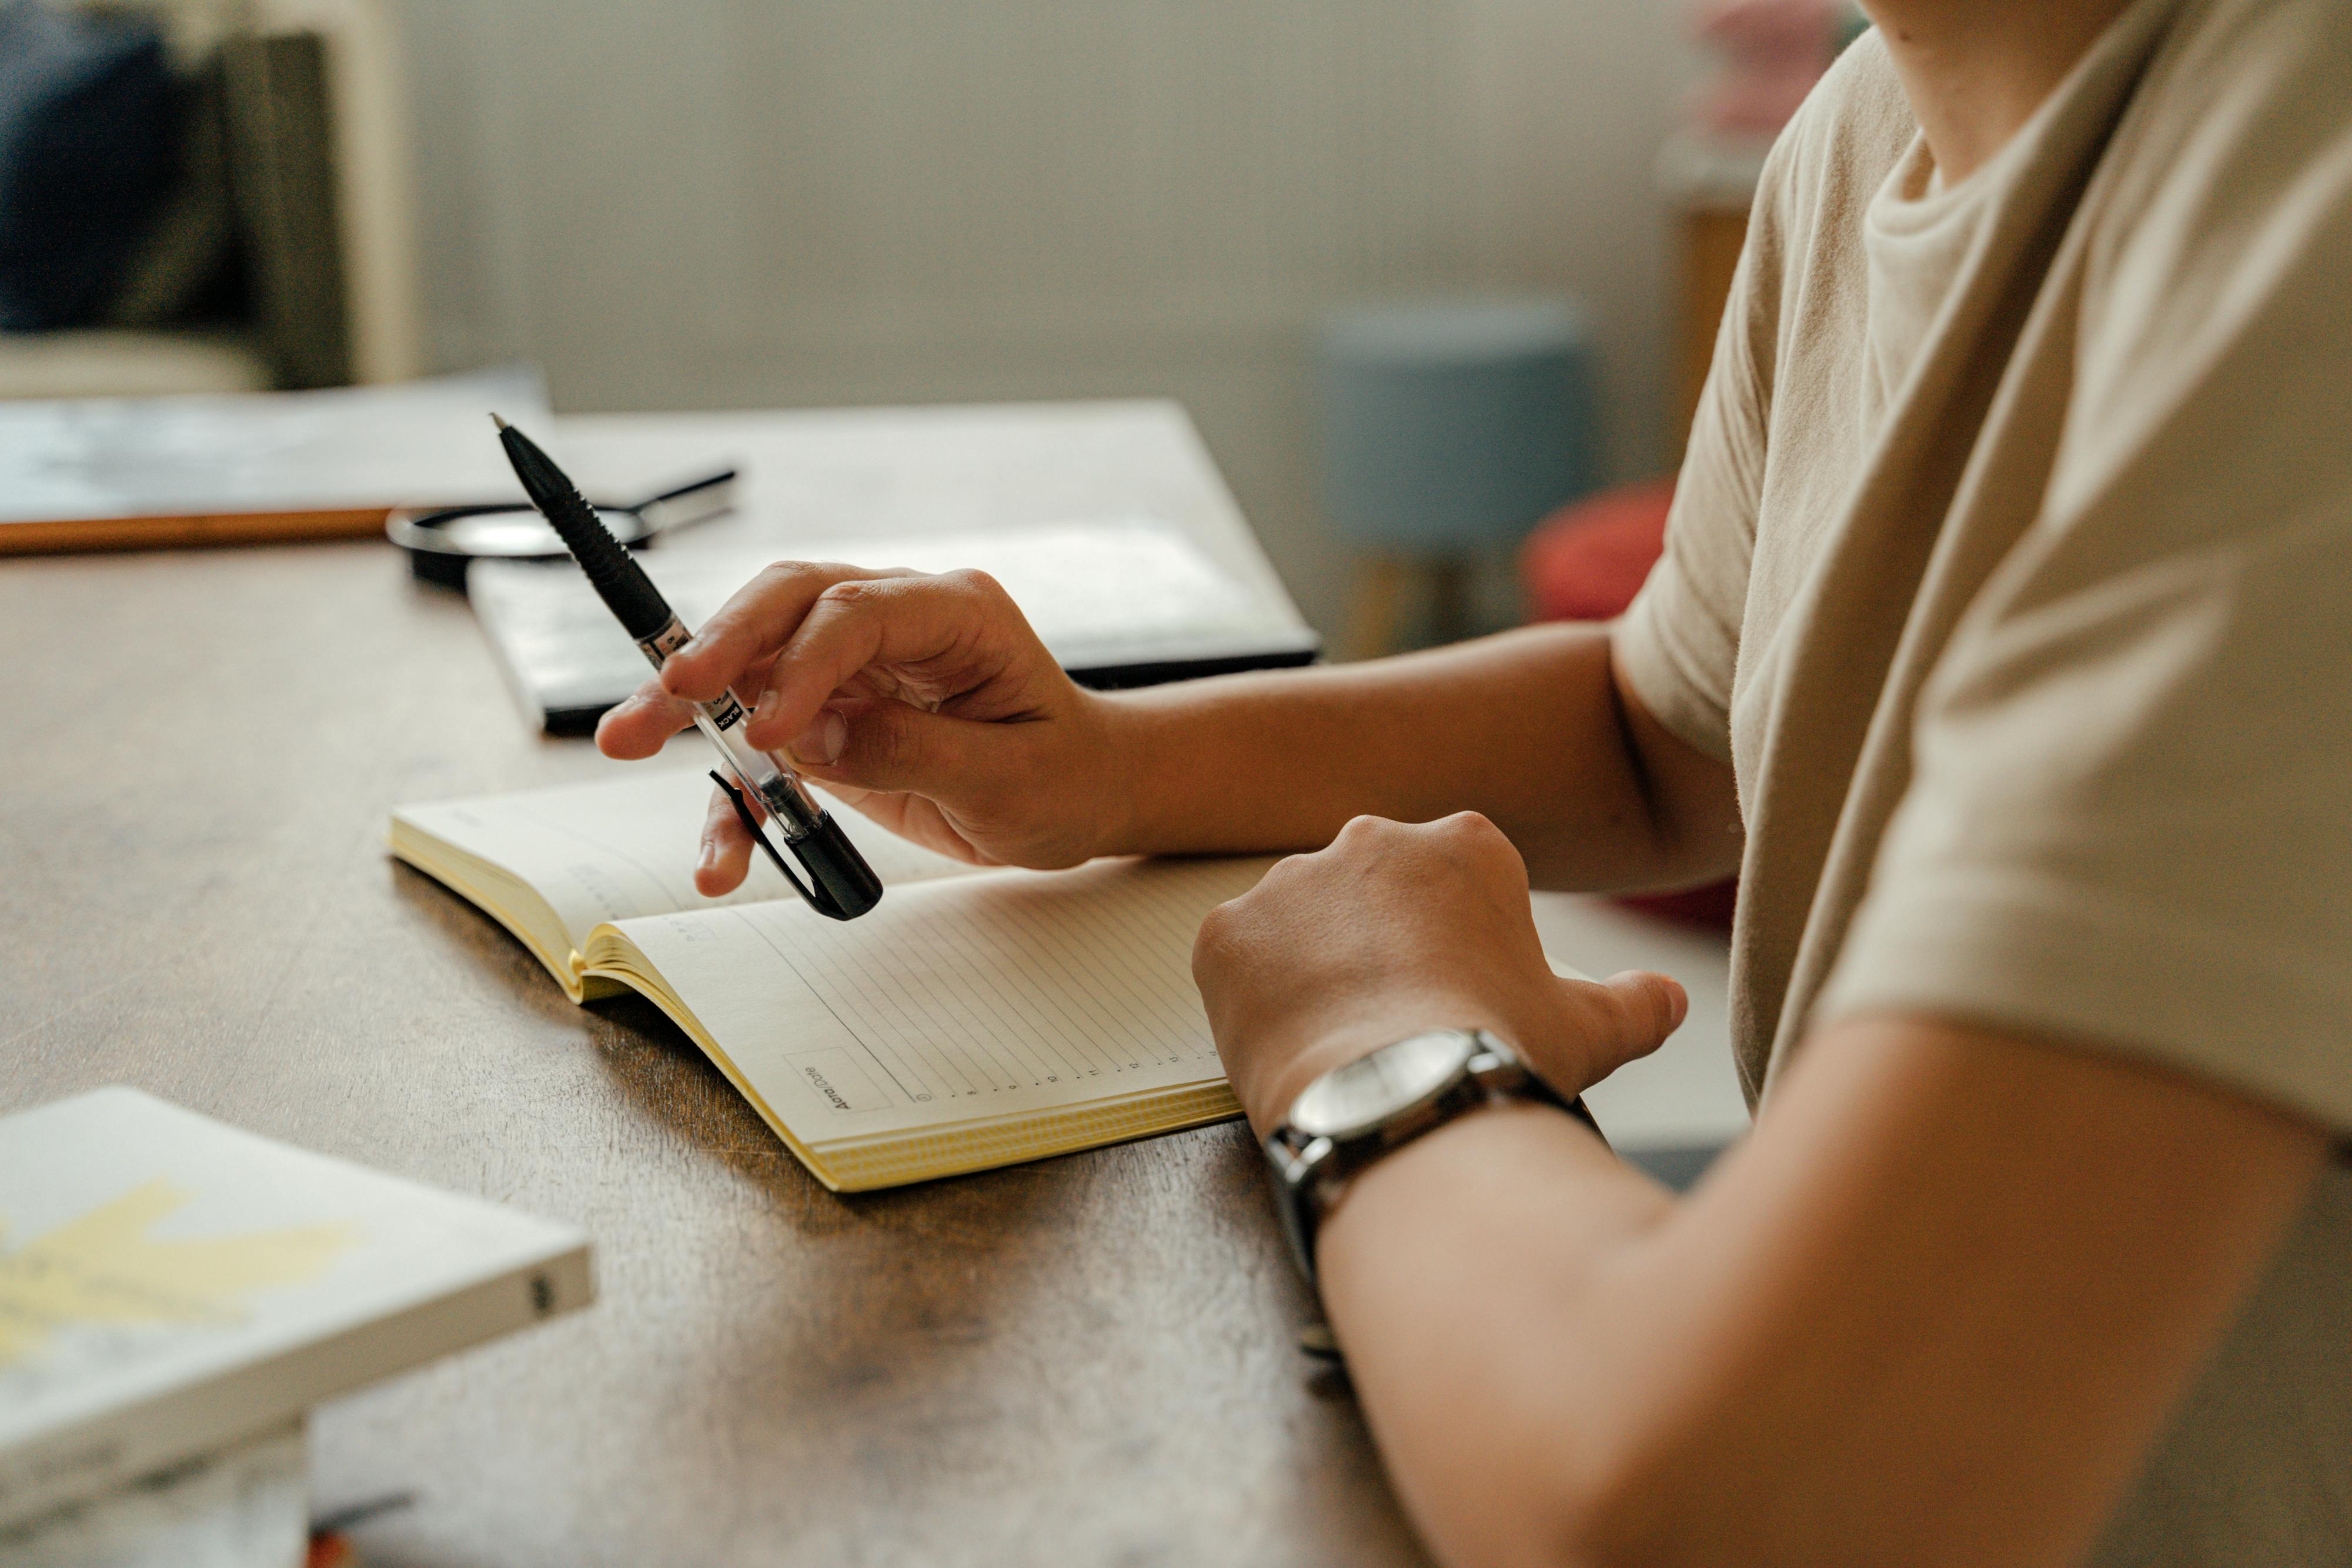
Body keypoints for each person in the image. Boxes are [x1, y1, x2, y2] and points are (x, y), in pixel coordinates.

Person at [598, 0, 2351, 1559]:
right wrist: (1112, 766)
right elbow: (1665, 730)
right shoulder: (1867, 127)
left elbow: (1709, 1504)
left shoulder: (2305, 211)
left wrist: (1374, 1036)